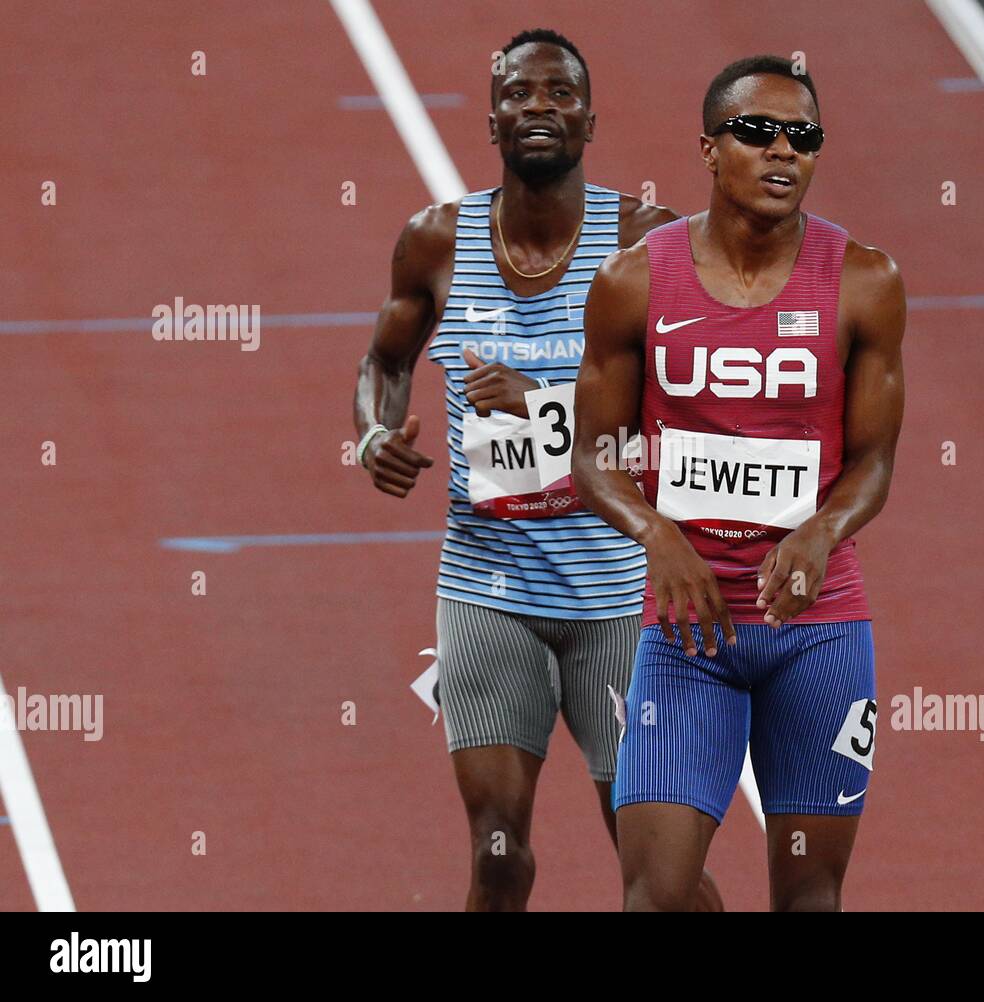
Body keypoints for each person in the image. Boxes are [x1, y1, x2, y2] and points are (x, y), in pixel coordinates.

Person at [351, 28, 721, 911]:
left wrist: (545, 403)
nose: (539, 110)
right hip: (487, 594)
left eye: (559, 96)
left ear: (590, 119)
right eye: (520, 95)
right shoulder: (436, 242)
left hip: (620, 601)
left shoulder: (646, 246)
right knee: (497, 856)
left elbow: (693, 408)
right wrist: (372, 434)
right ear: (491, 121)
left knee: (660, 879)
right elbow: (386, 359)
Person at [573, 55, 906, 912]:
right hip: (689, 633)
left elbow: (873, 461)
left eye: (803, 136)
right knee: (656, 895)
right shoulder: (634, 282)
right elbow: (593, 452)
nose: (782, 151)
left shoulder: (865, 281)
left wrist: (823, 531)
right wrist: (657, 534)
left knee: (810, 898)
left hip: (819, 632)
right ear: (710, 149)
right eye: (757, 132)